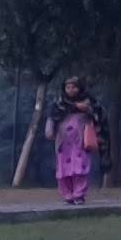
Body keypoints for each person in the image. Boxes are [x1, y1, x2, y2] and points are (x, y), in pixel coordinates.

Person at [52, 79, 102, 209]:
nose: (71, 90)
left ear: (80, 88)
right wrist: (74, 107)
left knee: (80, 167)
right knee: (63, 168)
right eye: (68, 87)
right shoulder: (59, 102)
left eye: (74, 87)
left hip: (81, 141)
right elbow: (53, 115)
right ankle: (67, 196)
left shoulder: (88, 101)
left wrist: (87, 109)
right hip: (63, 142)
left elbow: (98, 114)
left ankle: (79, 195)